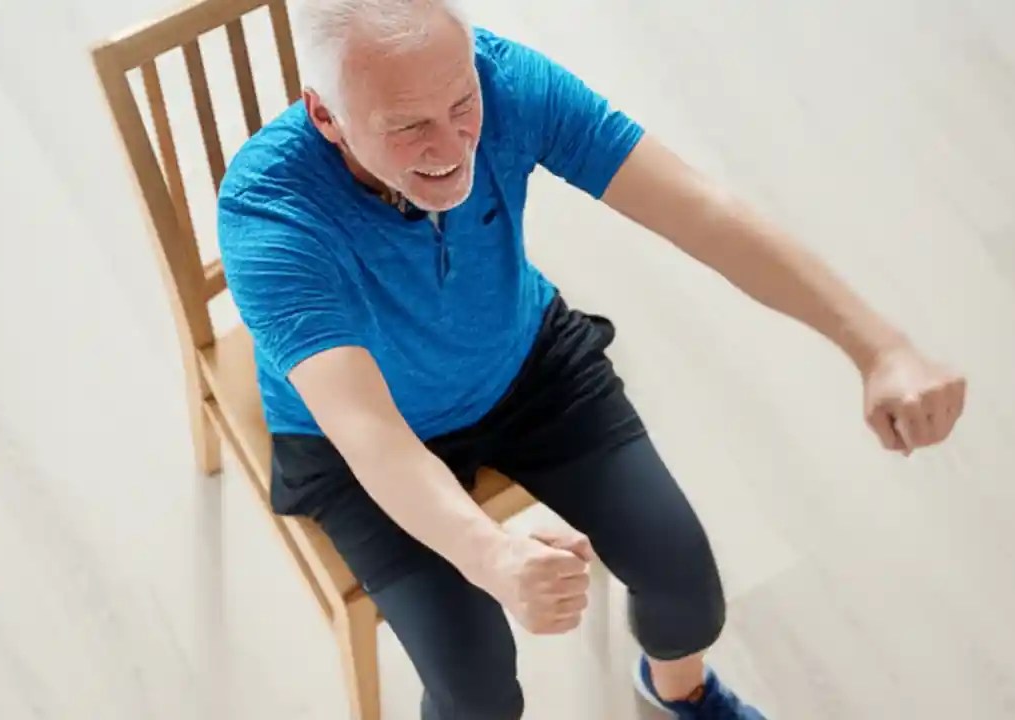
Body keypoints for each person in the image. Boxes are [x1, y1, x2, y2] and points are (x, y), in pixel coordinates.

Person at [216, 0, 968, 717]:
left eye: (461, 102)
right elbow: (369, 432)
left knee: (687, 590)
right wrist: (492, 555)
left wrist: (881, 347)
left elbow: (701, 211)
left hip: (525, 367)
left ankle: (679, 693)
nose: (450, 147)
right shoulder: (267, 212)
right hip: (357, 445)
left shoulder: (507, 84)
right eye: (408, 126)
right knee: (478, 695)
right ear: (325, 116)